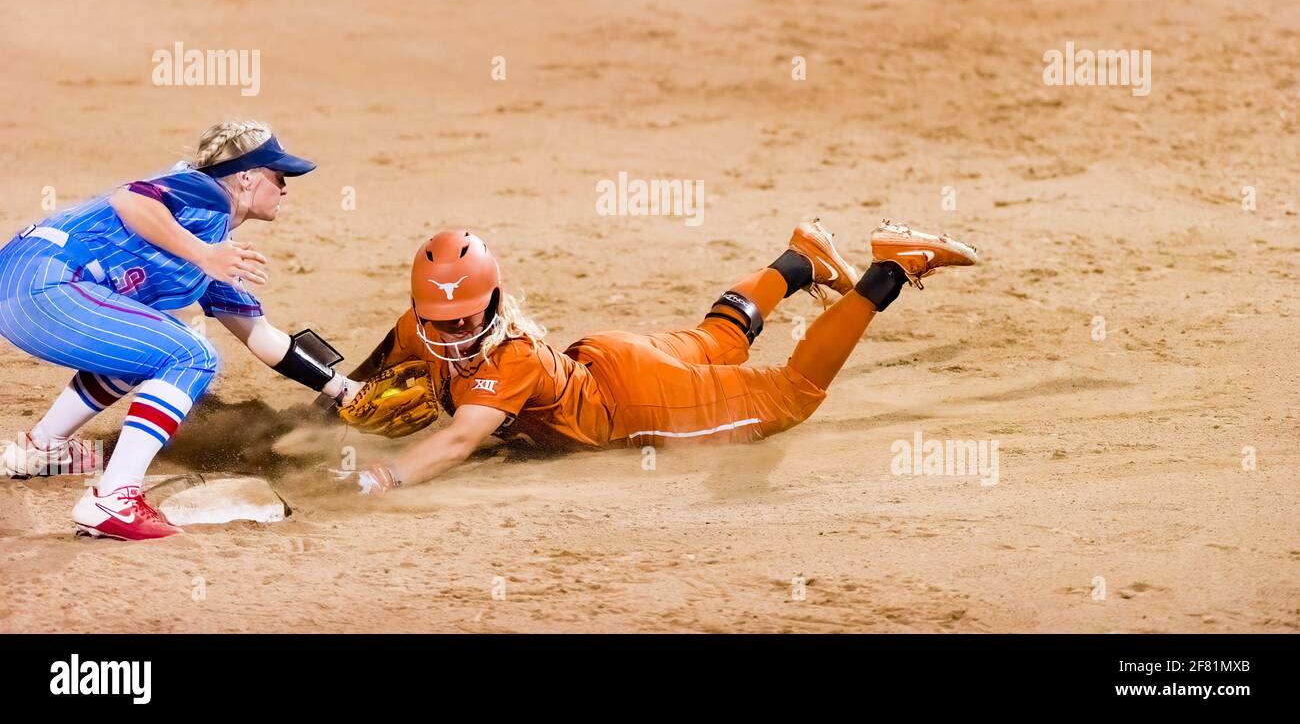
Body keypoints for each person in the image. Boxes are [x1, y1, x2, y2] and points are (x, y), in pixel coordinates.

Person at [335, 219, 977, 494]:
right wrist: (328, 407)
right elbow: (367, 375)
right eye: (440, 318)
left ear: (494, 299)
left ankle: (892, 266)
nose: (453, 327)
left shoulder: (510, 356)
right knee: (720, 340)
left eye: (468, 315)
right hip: (611, 356)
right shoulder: (412, 328)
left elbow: (455, 442)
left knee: (791, 393)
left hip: (638, 402)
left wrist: (380, 479)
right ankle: (802, 258)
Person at [0, 120, 360, 539]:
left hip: (29, 288)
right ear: (244, 177)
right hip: (44, 283)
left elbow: (261, 337)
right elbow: (130, 199)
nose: (284, 187)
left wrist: (346, 390)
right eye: (278, 175)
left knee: (149, 349)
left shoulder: (215, 245)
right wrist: (204, 255)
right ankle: (112, 501)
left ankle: (40, 449)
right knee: (191, 354)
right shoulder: (207, 193)